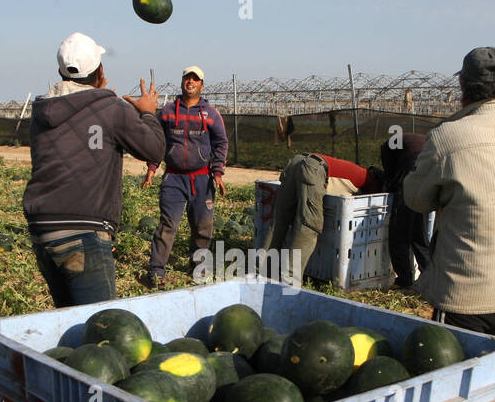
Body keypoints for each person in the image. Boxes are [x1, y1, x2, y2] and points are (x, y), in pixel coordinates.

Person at [402, 47, 495, 336]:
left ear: (463, 87)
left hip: (465, 292)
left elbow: (416, 200)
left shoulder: (448, 137)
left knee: (453, 369)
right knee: (493, 368)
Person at [22, 32, 164, 305]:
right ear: (100, 70)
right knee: (99, 329)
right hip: (82, 233)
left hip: (43, 232)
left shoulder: (42, 110)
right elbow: (154, 149)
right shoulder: (110, 109)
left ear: (61, 72)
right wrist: (147, 112)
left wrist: (99, 95)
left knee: (69, 321)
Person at [140, 65, 228, 287]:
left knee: (202, 226)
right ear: (182, 83)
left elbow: (221, 143)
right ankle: (157, 271)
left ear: (201, 85)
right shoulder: (169, 111)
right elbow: (157, 142)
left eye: (195, 79)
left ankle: (199, 268)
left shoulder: (210, 114)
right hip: (174, 178)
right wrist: (152, 169)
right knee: (167, 224)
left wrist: (217, 172)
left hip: (202, 179)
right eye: (187, 78)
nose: (191, 82)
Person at [258, 152, 383, 287]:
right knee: (308, 226)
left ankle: (261, 272)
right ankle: (289, 281)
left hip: (296, 161)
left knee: (279, 221)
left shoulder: (358, 171)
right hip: (313, 169)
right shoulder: (369, 181)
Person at [379, 131, 431, 289]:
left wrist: (390, 184)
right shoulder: (414, 140)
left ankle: (404, 281)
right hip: (430, 170)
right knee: (419, 233)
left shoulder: (388, 147)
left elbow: (391, 173)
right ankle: (429, 279)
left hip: (413, 169)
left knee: (399, 233)